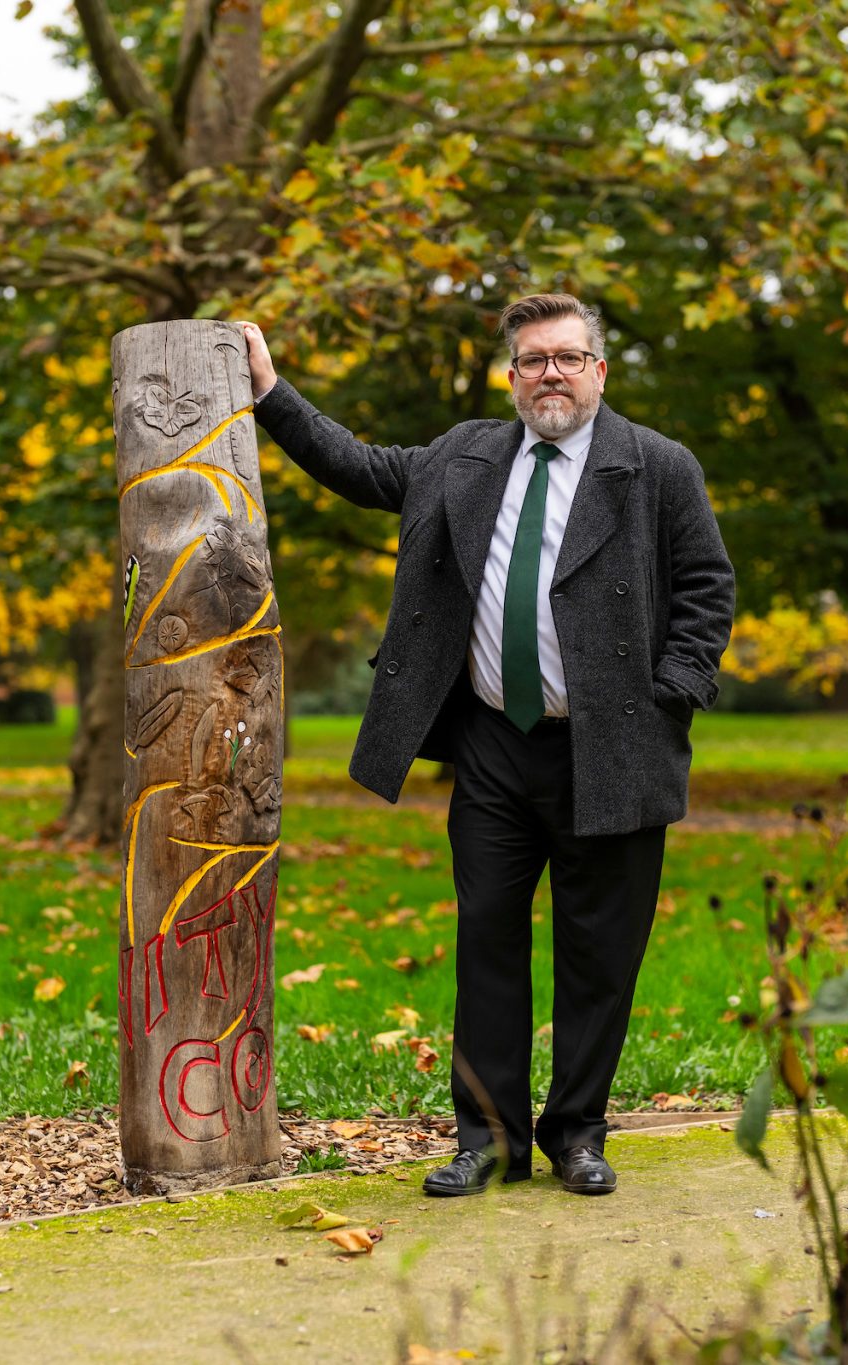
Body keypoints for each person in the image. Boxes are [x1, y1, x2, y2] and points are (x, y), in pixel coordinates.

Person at [236, 295, 734, 1196]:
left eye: (569, 357)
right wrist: (271, 391)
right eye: (534, 359)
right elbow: (357, 465)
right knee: (487, 943)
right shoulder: (462, 457)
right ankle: (490, 1138)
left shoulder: (657, 466)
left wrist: (672, 693)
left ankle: (577, 1133)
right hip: (495, 748)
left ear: (599, 371)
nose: (552, 373)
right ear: (512, 377)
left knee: (599, 956)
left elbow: (708, 586)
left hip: (614, 749)